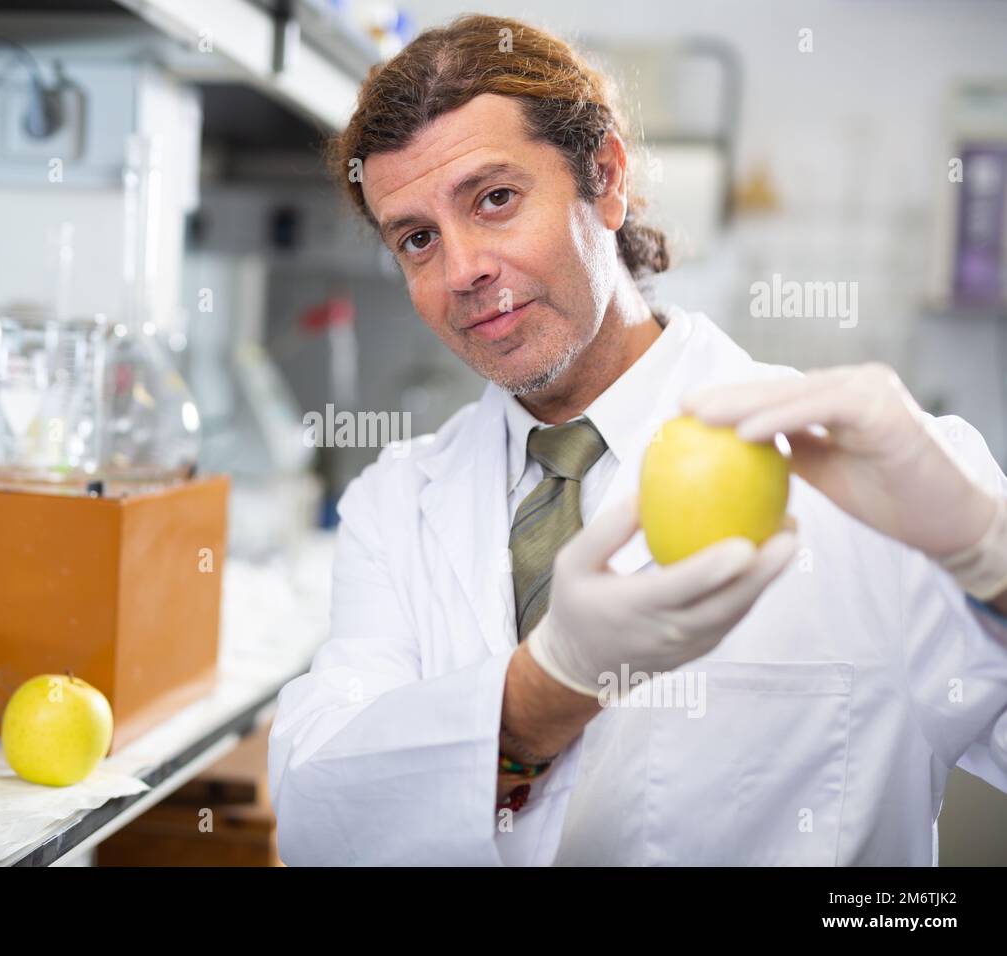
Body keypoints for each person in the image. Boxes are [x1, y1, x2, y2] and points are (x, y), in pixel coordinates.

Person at [266, 14, 1007, 865]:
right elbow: (321, 819)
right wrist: (547, 689)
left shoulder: (874, 477)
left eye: (495, 198)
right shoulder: (394, 507)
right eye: (418, 239)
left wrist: (991, 557)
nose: (463, 267)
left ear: (607, 180)